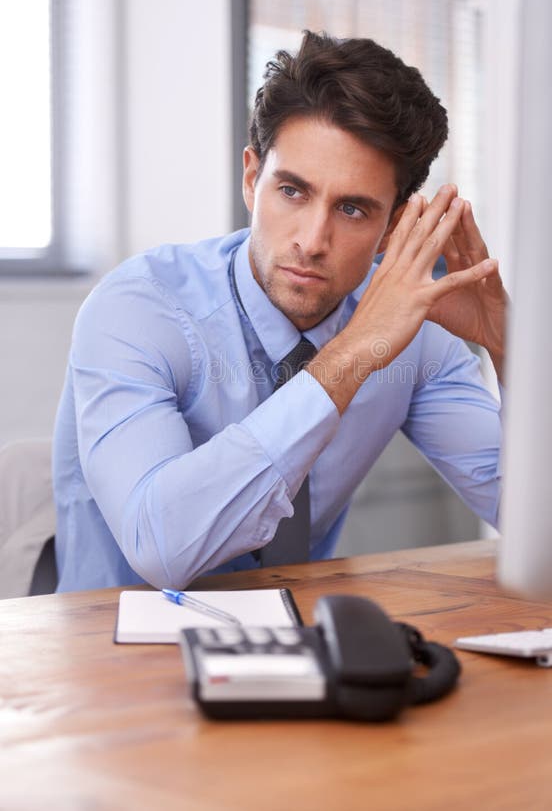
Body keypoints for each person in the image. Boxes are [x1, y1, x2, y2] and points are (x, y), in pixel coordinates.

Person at [53, 30, 507, 592]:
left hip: (302, 647)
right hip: (110, 652)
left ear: (393, 226)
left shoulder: (411, 332)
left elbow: (530, 511)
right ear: (252, 178)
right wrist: (354, 352)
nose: (313, 241)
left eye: (352, 209)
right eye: (292, 192)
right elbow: (162, 547)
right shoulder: (138, 309)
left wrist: (510, 347)